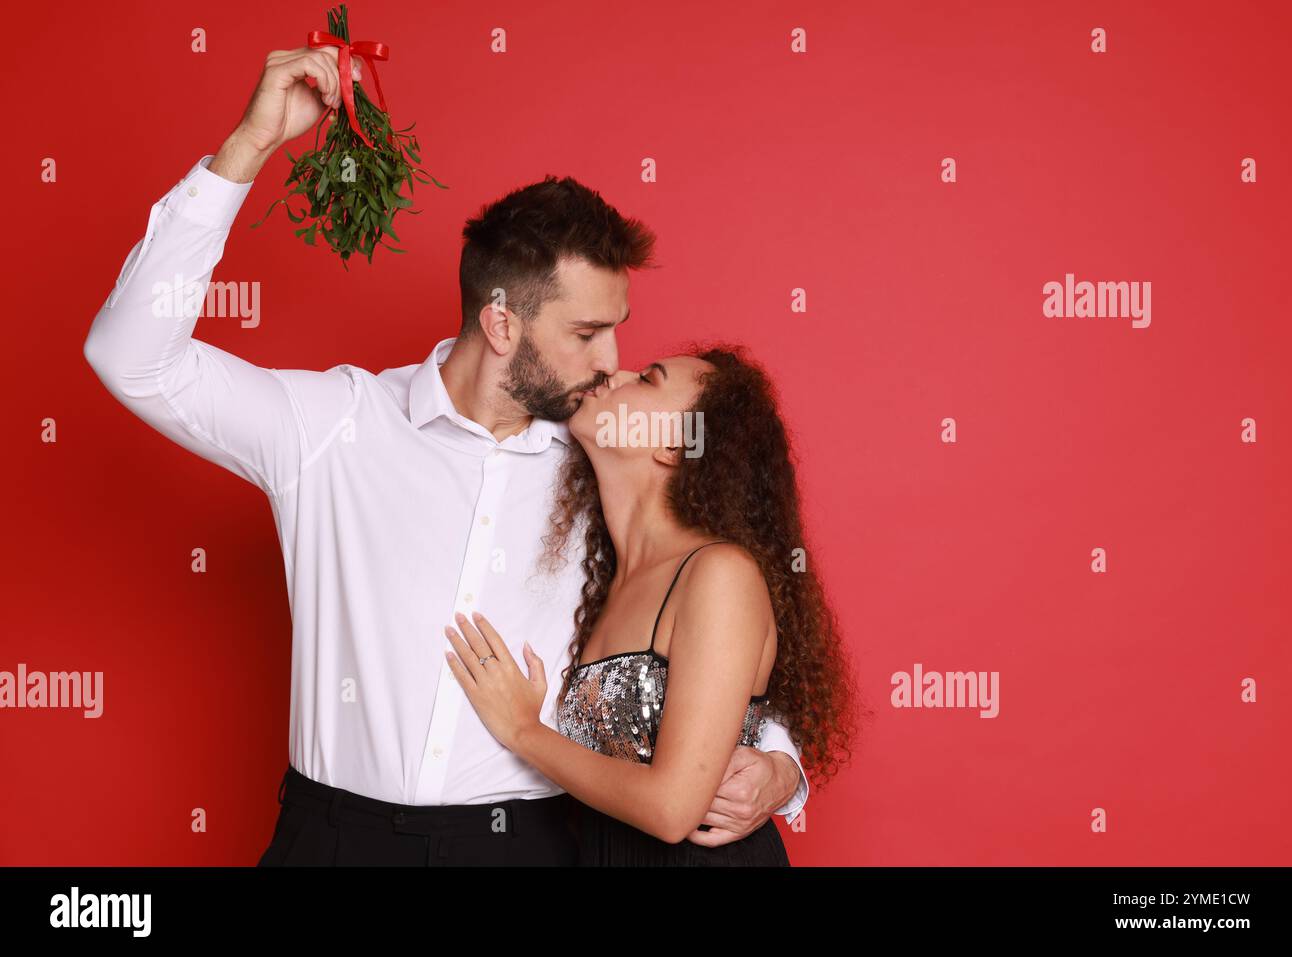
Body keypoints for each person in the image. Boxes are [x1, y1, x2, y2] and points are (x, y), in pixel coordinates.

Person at [82, 43, 812, 865]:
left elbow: (698, 632)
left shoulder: (607, 464)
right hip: (330, 839)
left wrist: (781, 764)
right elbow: (130, 355)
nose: (613, 360)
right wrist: (248, 148)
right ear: (502, 324)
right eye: (585, 333)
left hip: (528, 845)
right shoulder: (334, 422)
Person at [445, 346, 858, 864]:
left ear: (674, 447)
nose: (613, 374)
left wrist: (524, 730)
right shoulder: (599, 573)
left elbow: (671, 809)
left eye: (647, 379)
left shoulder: (718, 574)